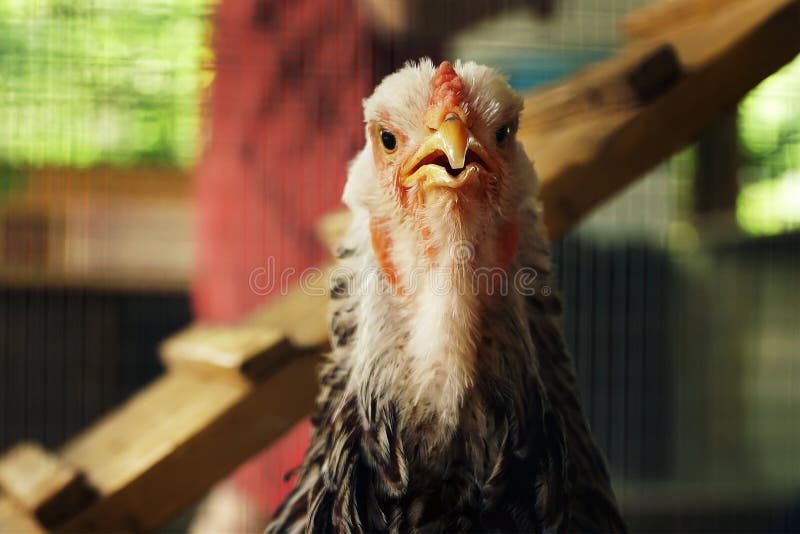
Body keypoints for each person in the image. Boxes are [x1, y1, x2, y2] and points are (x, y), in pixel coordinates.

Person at [190, 1, 553, 531]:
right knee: (323, 460)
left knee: (265, 470)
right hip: (308, 194)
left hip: (258, 182)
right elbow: (401, 7)